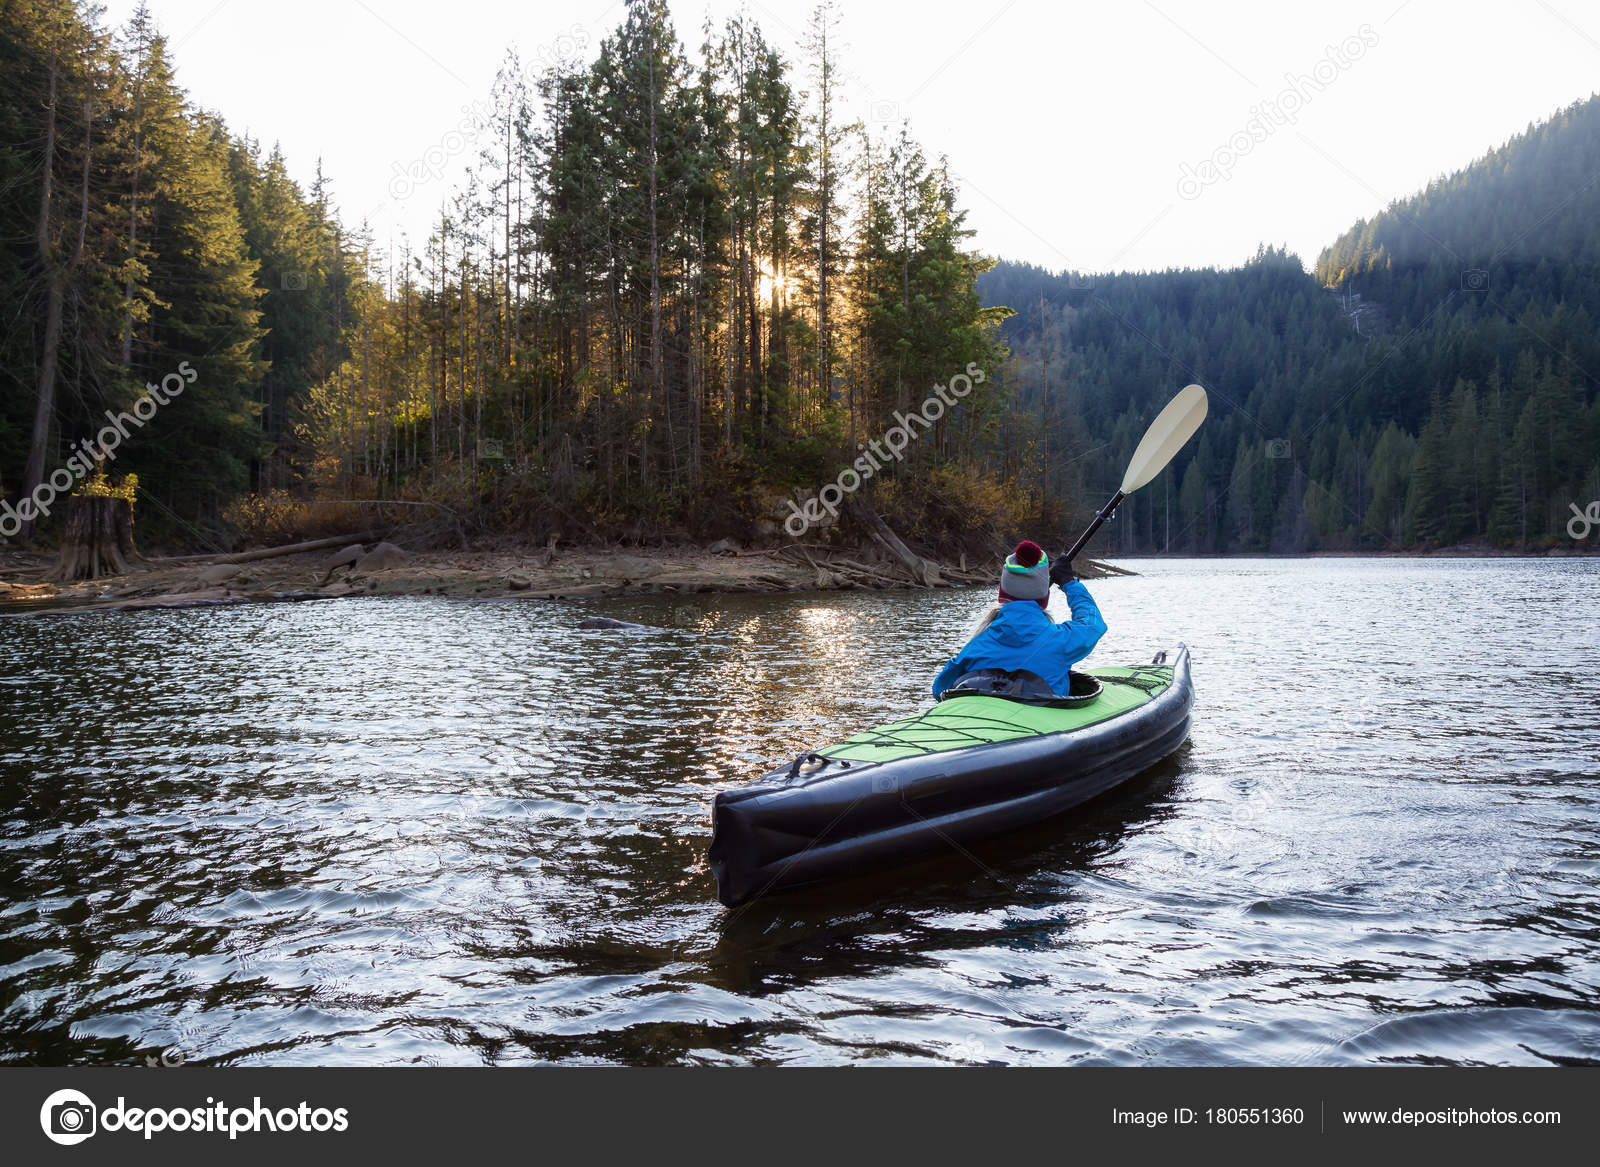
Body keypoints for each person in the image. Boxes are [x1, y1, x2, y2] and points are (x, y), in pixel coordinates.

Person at [931, 540, 1107, 699]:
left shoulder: (976, 646)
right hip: (1041, 722)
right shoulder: (1061, 641)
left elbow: (939, 689)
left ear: (1001, 592)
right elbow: (1092, 624)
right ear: (1044, 598)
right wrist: (1069, 583)